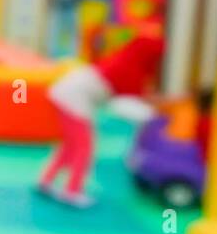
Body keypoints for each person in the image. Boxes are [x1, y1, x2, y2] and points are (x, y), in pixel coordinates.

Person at [37, 30, 165, 208]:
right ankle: (72, 191)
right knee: (84, 147)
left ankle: (46, 181)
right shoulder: (131, 71)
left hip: (65, 91)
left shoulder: (123, 61)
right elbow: (135, 99)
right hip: (73, 98)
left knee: (71, 146)